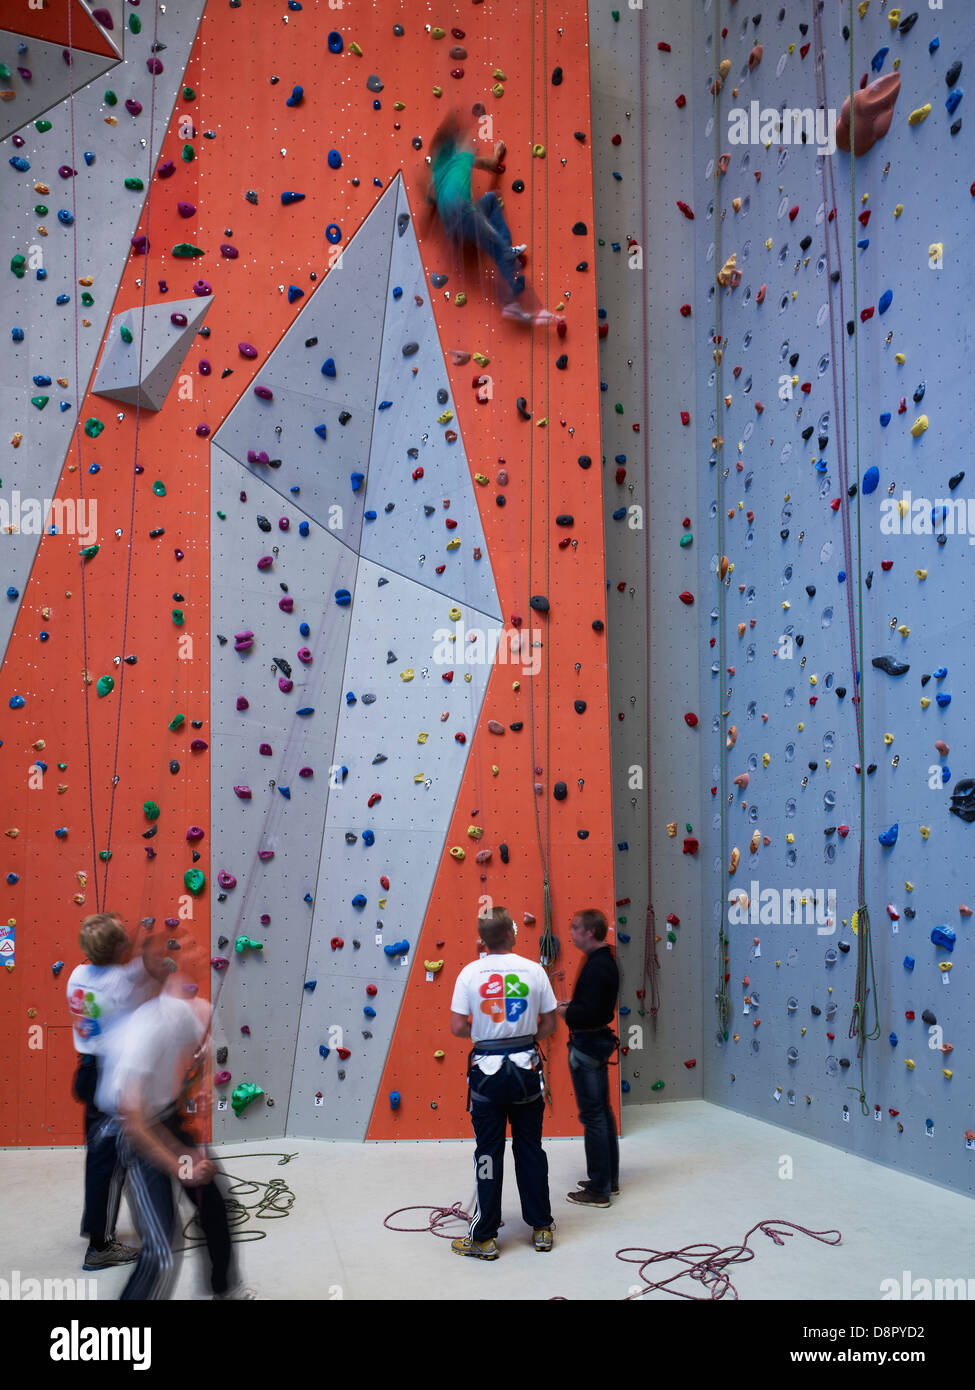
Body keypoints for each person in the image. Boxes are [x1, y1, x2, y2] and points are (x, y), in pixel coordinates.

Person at [93, 930, 255, 1300]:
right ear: (166, 967)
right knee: (162, 1252)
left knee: (213, 1205)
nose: (199, 949)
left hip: (166, 1120)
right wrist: (183, 1165)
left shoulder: (180, 1010)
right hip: (134, 1134)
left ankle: (224, 1290)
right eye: (185, 946)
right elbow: (133, 1122)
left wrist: (200, 1077)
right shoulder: (144, 1029)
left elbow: (201, 1055)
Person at [449, 907, 558, 1259]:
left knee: (488, 1154)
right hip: (526, 1071)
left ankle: (484, 1237)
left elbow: (458, 1027)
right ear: (512, 934)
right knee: (530, 1149)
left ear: (482, 939)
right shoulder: (534, 971)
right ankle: (541, 1227)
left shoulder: (469, 973)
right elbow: (550, 1023)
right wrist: (524, 1038)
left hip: (487, 1077)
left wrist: (486, 1036)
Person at [67, 911, 155, 1270]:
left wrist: (133, 939)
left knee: (99, 1156)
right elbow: (138, 986)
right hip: (110, 1075)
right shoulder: (119, 983)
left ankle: (96, 1228)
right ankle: (100, 1247)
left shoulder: (77, 974)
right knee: (111, 1162)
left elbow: (122, 970)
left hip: (86, 1070)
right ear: (116, 948)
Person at [426, 107, 563, 328]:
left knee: (490, 200)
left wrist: (430, 220)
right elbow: (490, 164)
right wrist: (497, 152)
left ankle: (507, 253)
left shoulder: (439, 173)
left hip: (455, 229)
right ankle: (511, 303)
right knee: (498, 247)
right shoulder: (463, 155)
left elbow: (431, 201)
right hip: (464, 212)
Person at [557, 909, 620, 1208]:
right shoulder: (603, 960)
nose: (572, 932)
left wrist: (565, 1012)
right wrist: (574, 1006)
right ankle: (609, 1179)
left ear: (590, 933)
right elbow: (595, 1006)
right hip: (597, 1041)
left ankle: (598, 1189)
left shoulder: (598, 966)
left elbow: (591, 1013)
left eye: (576, 927)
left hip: (587, 1045)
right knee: (602, 1113)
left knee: (593, 1117)